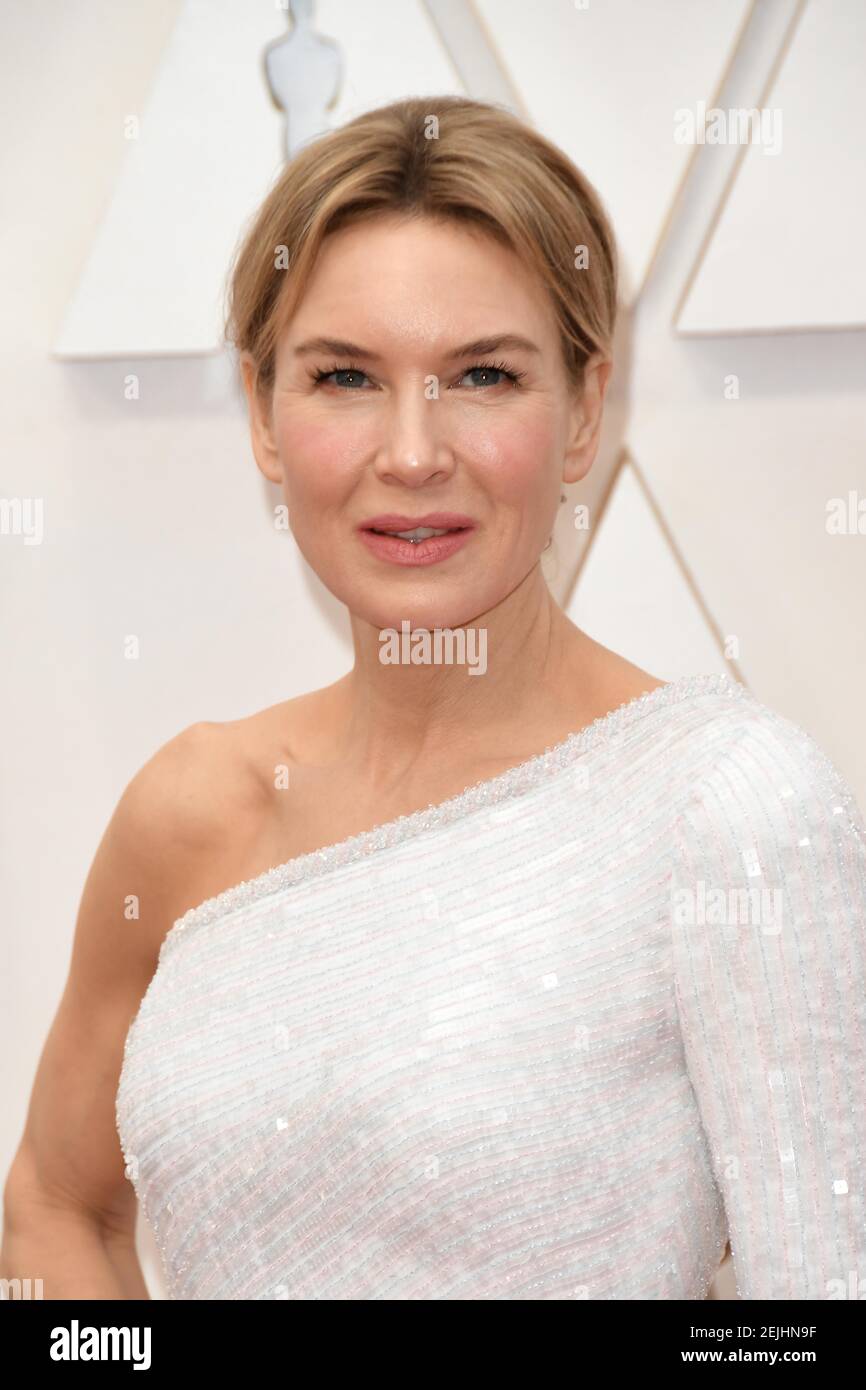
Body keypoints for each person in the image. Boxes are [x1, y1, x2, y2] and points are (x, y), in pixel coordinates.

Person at [3, 95, 865, 1301]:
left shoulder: (726, 807)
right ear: (261, 411)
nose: (411, 453)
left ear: (581, 413)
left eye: (482, 375)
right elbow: (56, 1206)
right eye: (345, 375)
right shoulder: (192, 808)